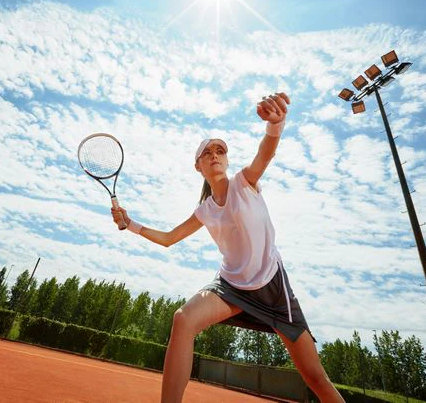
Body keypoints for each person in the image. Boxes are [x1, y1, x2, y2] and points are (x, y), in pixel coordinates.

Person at [111, 93, 344, 403]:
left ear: (227, 159)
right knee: (183, 319)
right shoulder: (205, 209)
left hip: (273, 288)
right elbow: (169, 239)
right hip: (231, 286)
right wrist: (131, 224)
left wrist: (276, 124)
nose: (215, 155)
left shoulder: (244, 182)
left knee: (315, 377)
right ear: (198, 166)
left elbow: (266, 153)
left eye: (220, 150)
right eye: (207, 153)